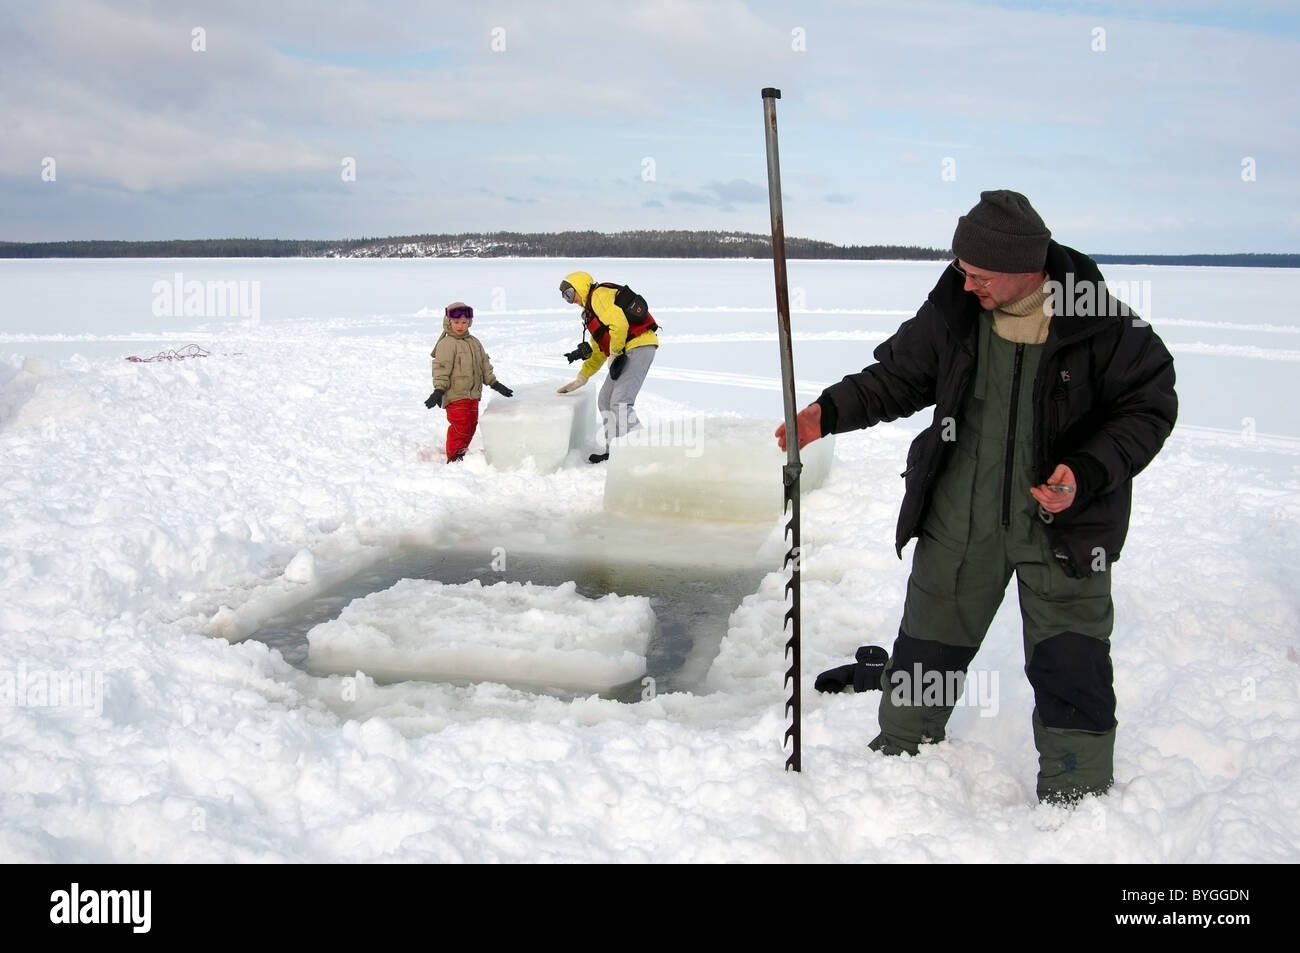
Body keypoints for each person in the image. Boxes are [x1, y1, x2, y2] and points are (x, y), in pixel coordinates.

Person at [777, 190, 1178, 803]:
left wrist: (1086, 469)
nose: (966, 285)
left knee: (1071, 655)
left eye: (979, 275)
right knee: (929, 637)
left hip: (1064, 523)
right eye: (962, 270)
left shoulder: (1102, 323)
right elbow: (898, 377)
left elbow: (1149, 406)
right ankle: (902, 755)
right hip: (961, 510)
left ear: (1025, 267)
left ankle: (1077, 792)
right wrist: (825, 413)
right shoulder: (954, 309)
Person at [555, 271, 660, 463]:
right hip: (626, 350)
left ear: (580, 287)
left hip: (639, 345)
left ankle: (646, 454)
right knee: (605, 400)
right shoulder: (590, 312)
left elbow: (618, 324)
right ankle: (616, 450)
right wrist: (582, 377)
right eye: (565, 298)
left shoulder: (598, 296)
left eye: (570, 294)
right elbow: (598, 350)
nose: (571, 301)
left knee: (620, 402)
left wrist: (615, 352)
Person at [424, 301, 512, 462]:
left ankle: (461, 452)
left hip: (472, 395)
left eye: (464, 322)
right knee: (461, 426)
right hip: (455, 394)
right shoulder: (447, 344)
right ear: (448, 321)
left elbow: (484, 364)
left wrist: (495, 383)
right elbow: (441, 369)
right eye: (456, 322)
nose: (460, 326)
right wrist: (438, 391)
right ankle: (454, 457)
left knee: (470, 425)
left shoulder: (474, 342)